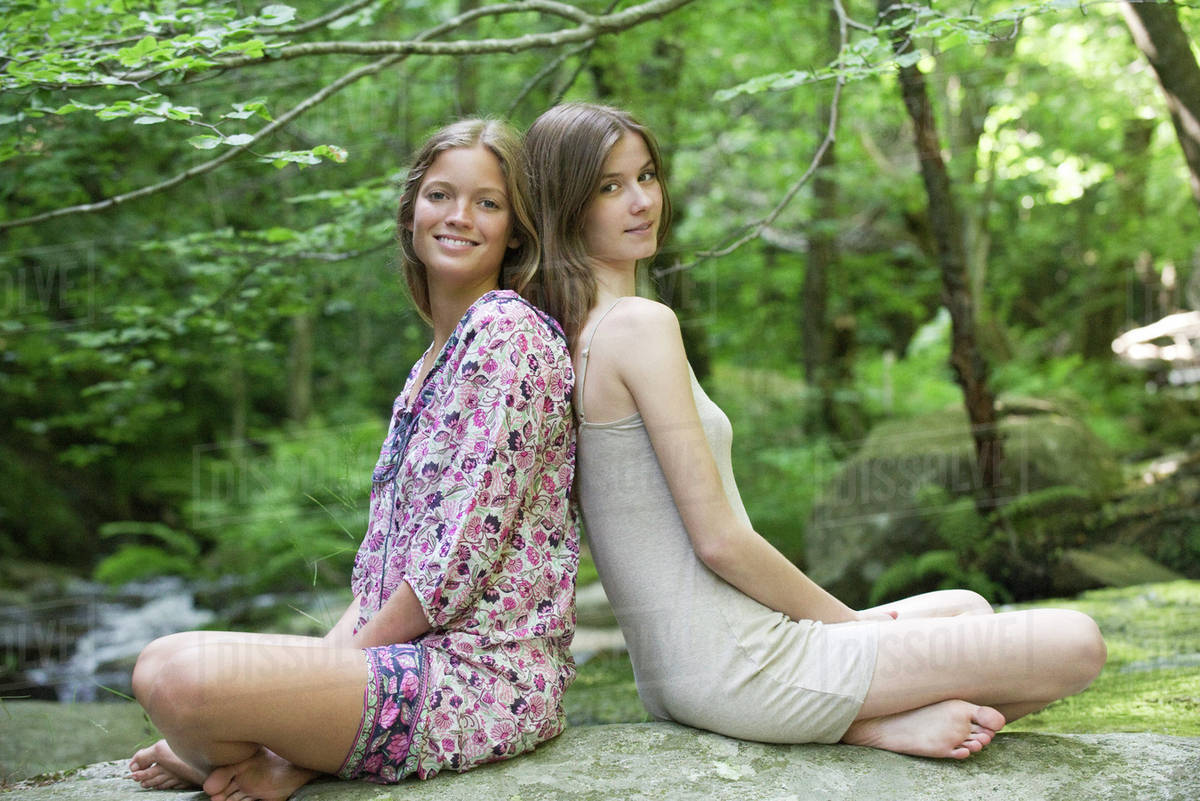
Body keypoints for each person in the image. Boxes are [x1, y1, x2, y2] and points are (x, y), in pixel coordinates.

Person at [524, 102, 1106, 760]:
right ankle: (860, 723)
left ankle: (862, 722)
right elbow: (720, 542)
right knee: (1079, 642)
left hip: (677, 673)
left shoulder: (570, 333)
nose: (642, 200)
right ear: (566, 203)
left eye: (648, 175)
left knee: (967, 605)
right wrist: (847, 626)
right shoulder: (638, 326)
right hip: (741, 664)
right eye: (610, 186)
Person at [127, 118, 578, 801]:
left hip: (480, 682)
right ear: (411, 211)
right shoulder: (429, 364)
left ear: (515, 229)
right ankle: (266, 748)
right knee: (158, 662)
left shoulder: (508, 334)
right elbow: (378, 580)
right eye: (440, 195)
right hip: (403, 661)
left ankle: (263, 755)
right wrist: (301, 697)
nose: (459, 217)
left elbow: (448, 568)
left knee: (189, 686)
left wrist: (296, 712)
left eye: (487, 202)